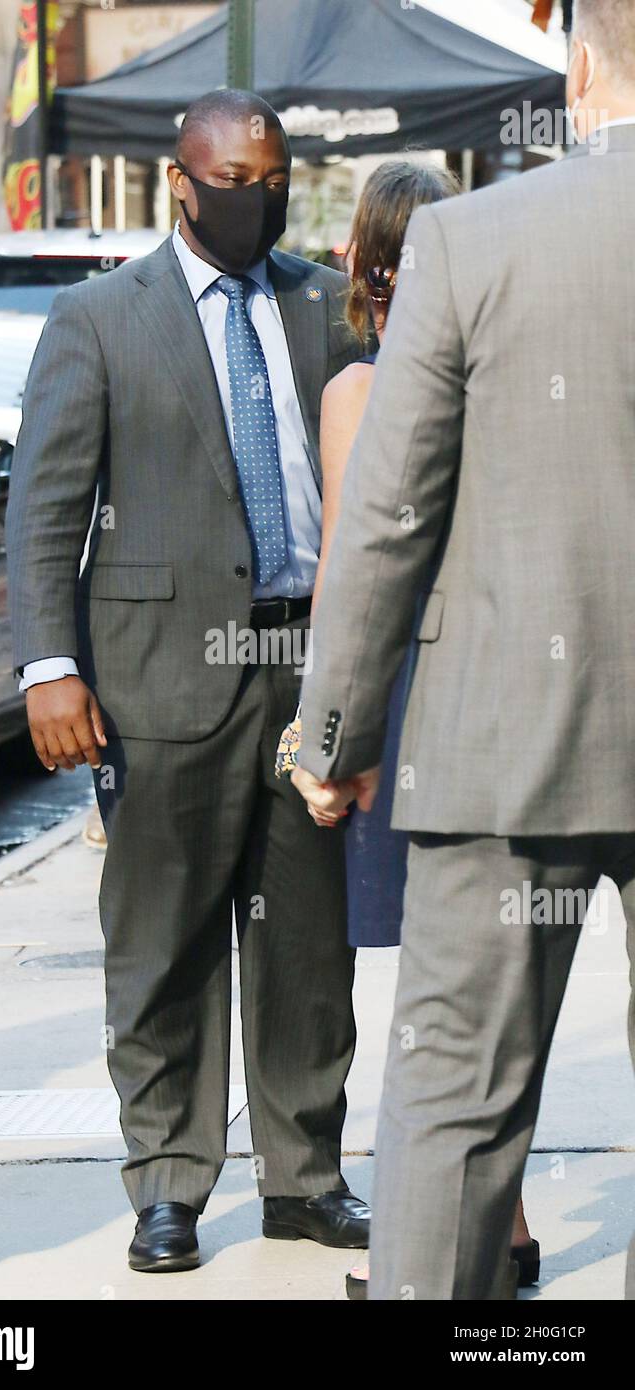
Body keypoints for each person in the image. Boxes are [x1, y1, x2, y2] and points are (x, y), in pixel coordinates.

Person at [292, 0, 635, 1301]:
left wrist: (331, 737)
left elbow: (385, 517)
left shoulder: (471, 238)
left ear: (581, 64)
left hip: (502, 742)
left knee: (454, 1111)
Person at [6, 89, 370, 1274]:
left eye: (273, 179)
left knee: (306, 947)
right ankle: (167, 1184)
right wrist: (49, 665)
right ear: (180, 182)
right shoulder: (100, 317)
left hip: (298, 670)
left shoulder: (321, 303)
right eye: (232, 182)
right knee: (162, 945)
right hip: (157, 680)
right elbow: (45, 506)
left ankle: (304, 1177)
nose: (255, 198)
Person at [279, 160, 537, 1299]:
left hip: (403, 697)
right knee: (504, 984)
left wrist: (322, 734)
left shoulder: (361, 388)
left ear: (360, 266)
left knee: (438, 1000)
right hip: (507, 692)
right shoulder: (510, 370)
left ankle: (438, 1255)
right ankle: (508, 1228)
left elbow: (349, 567)